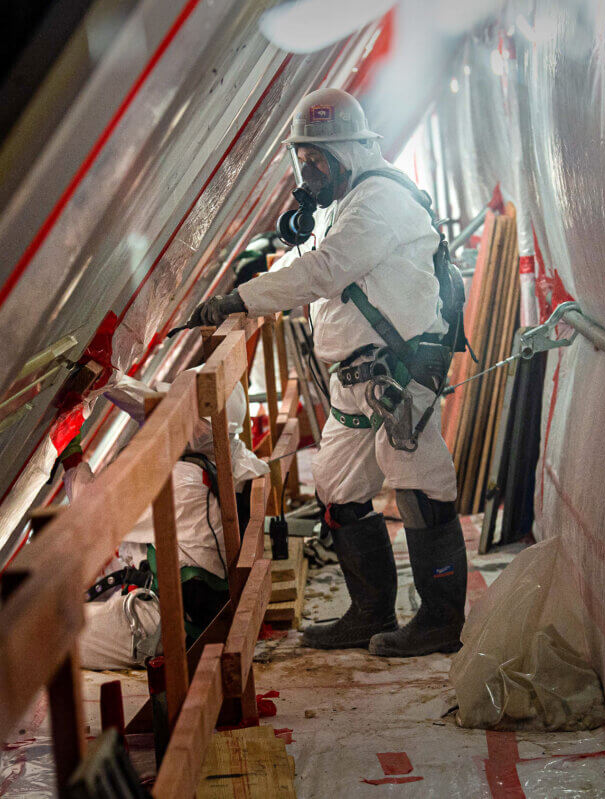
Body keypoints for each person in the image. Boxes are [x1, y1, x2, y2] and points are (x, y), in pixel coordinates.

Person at [188, 88, 466, 657]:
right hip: (358, 381)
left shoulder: (378, 201)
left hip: (400, 374)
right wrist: (258, 282)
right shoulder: (348, 199)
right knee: (339, 490)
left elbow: (324, 269)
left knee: (419, 489)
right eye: (302, 160)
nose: (309, 172)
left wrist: (240, 299)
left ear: (346, 150)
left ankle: (440, 621)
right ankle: (370, 612)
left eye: (317, 160)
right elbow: (311, 260)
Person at [79, 373, 268, 669]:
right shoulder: (234, 455)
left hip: (163, 624)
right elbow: (164, 411)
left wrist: (70, 462)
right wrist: (112, 381)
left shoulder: (177, 483)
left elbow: (91, 514)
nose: (171, 416)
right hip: (195, 612)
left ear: (198, 425)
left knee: (48, 641)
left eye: (180, 412)